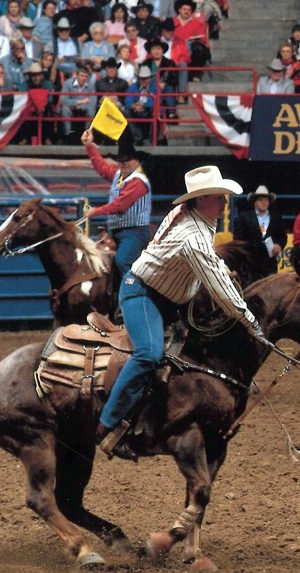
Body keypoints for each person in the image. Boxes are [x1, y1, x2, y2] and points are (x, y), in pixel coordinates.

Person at [95, 165, 265, 458]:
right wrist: (250, 321)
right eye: (218, 196)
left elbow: (209, 261)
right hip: (142, 294)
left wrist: (221, 267)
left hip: (167, 298)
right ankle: (107, 424)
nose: (224, 201)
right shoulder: (192, 236)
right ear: (202, 199)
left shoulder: (197, 219)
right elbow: (218, 287)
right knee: (149, 354)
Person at [81, 129, 153, 284]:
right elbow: (101, 167)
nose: (123, 164)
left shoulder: (139, 182)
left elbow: (120, 205)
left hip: (134, 232)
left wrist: (96, 211)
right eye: (121, 161)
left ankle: (133, 291)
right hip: (116, 231)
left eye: (127, 161)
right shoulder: (119, 175)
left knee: (123, 260)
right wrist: (89, 146)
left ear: (136, 161)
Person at [234, 185, 288, 278]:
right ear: (254, 202)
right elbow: (238, 239)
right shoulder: (244, 217)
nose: (264, 202)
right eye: (260, 200)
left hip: (269, 263)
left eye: (266, 200)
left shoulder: (276, 217)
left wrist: (279, 245)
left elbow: (282, 236)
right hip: (250, 263)